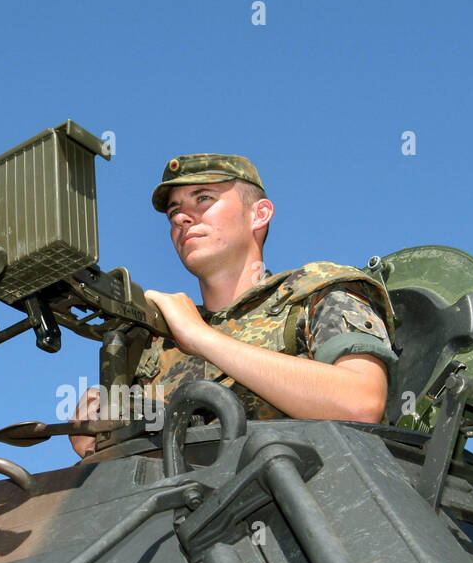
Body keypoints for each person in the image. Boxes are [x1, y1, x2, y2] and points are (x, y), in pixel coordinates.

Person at [70, 153, 397, 458]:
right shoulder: (156, 344)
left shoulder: (314, 290)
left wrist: (201, 338)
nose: (182, 217)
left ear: (259, 214)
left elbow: (360, 404)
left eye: (203, 199)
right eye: (174, 212)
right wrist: (98, 444)